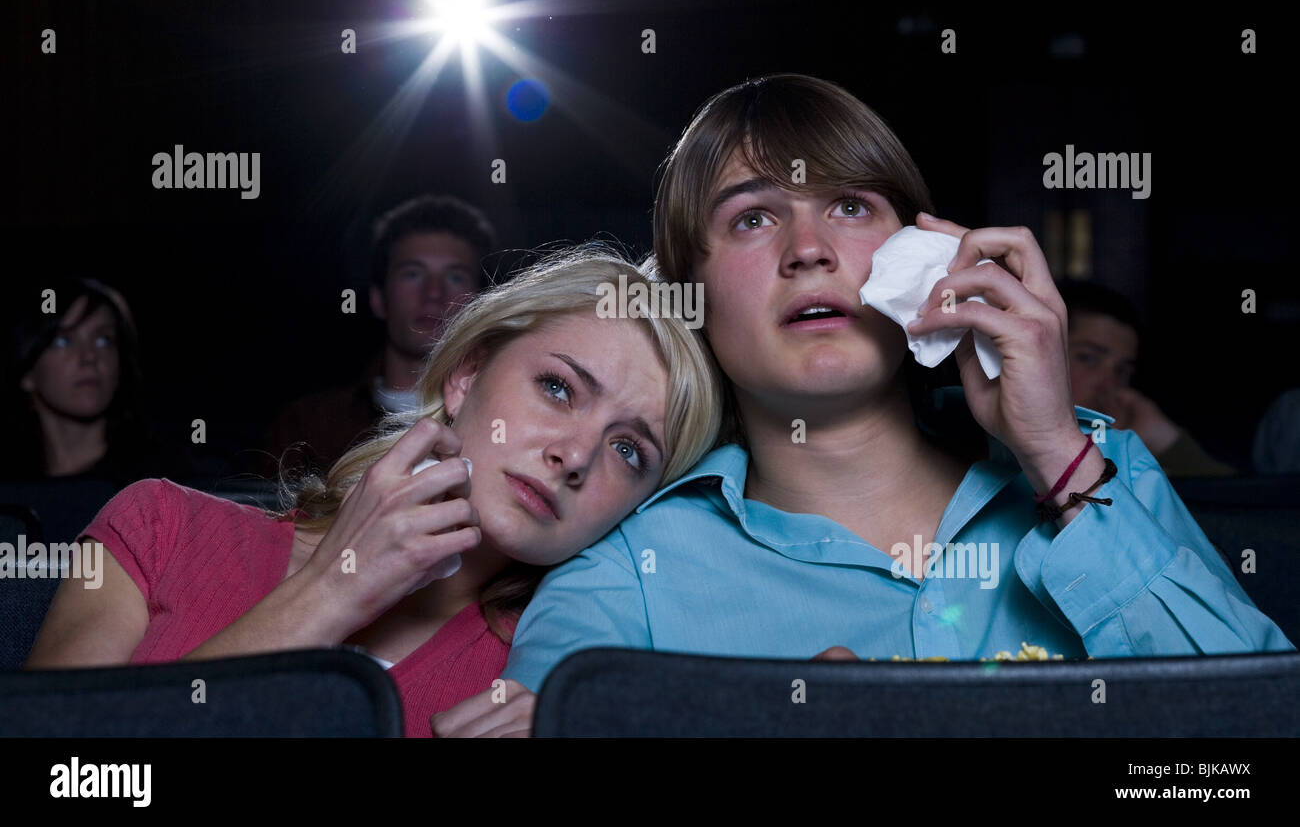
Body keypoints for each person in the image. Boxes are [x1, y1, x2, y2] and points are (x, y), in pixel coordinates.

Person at [433, 73, 1292, 738]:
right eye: (751, 220)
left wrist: (1056, 453)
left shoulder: (1097, 473)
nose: (808, 250)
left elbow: (1240, 758)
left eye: (850, 206)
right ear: (689, 294)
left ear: (923, 253)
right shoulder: (623, 576)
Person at [25, 245, 723, 739]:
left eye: (629, 450)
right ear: (465, 375)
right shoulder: (161, 526)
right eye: (558, 388)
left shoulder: (545, 677)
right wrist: (329, 594)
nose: (574, 455)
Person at [261, 194, 497, 478]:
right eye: (412, 274)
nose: (434, 293)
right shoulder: (307, 426)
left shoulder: (501, 422)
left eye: (455, 277)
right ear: (378, 299)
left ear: (479, 304)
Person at [2, 276, 185, 486]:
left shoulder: (163, 480)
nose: (89, 356)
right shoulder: (12, 489)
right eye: (62, 341)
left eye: (103, 339)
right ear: (27, 371)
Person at [1057, 279, 1236, 477]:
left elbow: (1234, 498)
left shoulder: (1131, 461)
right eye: (1088, 358)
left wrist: (1162, 438)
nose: (1109, 385)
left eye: (1122, 371)